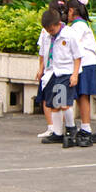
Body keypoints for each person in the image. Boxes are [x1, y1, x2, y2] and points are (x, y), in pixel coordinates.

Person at [66, 0, 96, 146]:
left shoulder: (78, 26)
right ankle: (84, 127)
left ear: (71, 10)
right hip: (85, 63)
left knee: (83, 96)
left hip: (85, 64)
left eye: (66, 11)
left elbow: (73, 46)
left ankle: (86, 128)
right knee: (81, 96)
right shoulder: (79, 25)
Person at [38, 8, 77, 146]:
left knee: (64, 103)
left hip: (65, 72)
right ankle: (57, 132)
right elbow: (43, 53)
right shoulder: (46, 35)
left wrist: (75, 74)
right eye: (47, 30)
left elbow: (77, 56)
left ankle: (72, 128)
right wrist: (41, 69)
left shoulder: (69, 34)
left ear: (58, 24)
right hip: (51, 73)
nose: (50, 32)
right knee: (54, 104)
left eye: (51, 30)